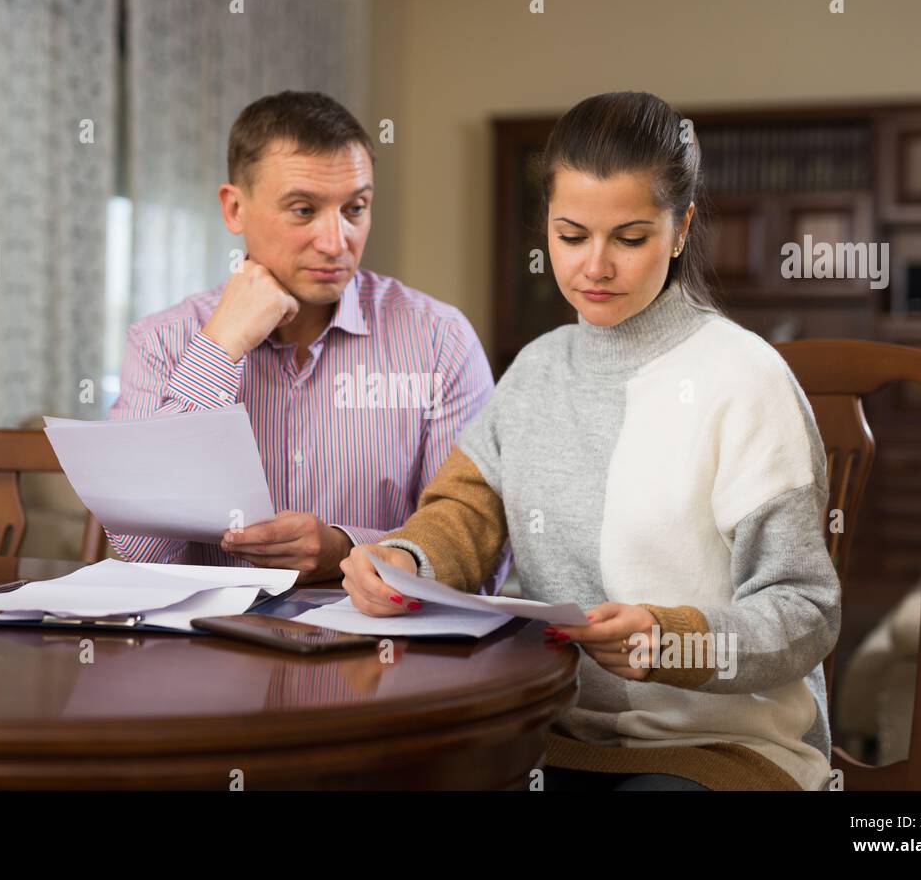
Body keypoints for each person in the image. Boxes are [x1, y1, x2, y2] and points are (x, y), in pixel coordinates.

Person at [339, 91, 841, 791]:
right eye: (571, 236)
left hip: (721, 749)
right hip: (549, 734)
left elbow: (804, 615)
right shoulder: (539, 368)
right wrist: (404, 558)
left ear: (682, 227)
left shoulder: (746, 378)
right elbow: (464, 513)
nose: (595, 267)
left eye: (630, 238)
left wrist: (667, 638)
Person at [107, 90, 508, 590]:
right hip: (205, 654)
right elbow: (138, 548)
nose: (336, 241)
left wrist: (347, 549)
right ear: (234, 209)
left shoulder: (440, 341)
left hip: (386, 653)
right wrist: (219, 349)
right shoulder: (161, 342)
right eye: (303, 210)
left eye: (355, 208)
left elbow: (480, 554)